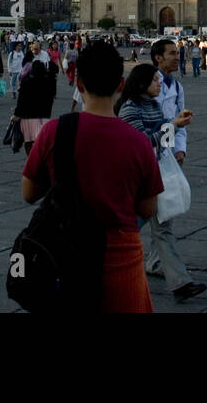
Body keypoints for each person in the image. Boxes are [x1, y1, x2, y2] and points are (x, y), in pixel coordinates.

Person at [21, 41, 163, 313]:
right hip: (121, 258)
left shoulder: (54, 131)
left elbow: (28, 193)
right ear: (121, 86)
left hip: (66, 254)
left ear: (80, 84)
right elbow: (148, 207)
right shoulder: (139, 142)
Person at [115, 62, 206, 302]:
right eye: (155, 80)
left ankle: (177, 281)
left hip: (152, 175)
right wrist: (172, 126)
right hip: (138, 181)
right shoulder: (130, 109)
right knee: (129, 230)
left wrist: (176, 126)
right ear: (143, 84)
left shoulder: (152, 105)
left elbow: (160, 139)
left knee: (161, 227)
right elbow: (141, 144)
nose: (159, 84)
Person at [12, 59, 58, 154]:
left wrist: (16, 114)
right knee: (41, 142)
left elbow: (21, 102)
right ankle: (39, 160)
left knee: (28, 143)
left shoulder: (26, 83)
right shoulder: (49, 83)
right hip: (44, 116)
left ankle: (31, 160)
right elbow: (53, 93)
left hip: (28, 118)